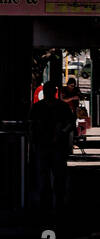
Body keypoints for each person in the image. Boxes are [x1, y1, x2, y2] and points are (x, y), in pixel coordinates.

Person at [28, 81, 74, 212]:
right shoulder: (59, 107)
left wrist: (61, 133)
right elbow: (70, 124)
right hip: (48, 145)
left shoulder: (40, 107)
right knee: (49, 174)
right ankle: (51, 202)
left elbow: (70, 124)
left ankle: (51, 202)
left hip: (52, 145)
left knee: (51, 174)